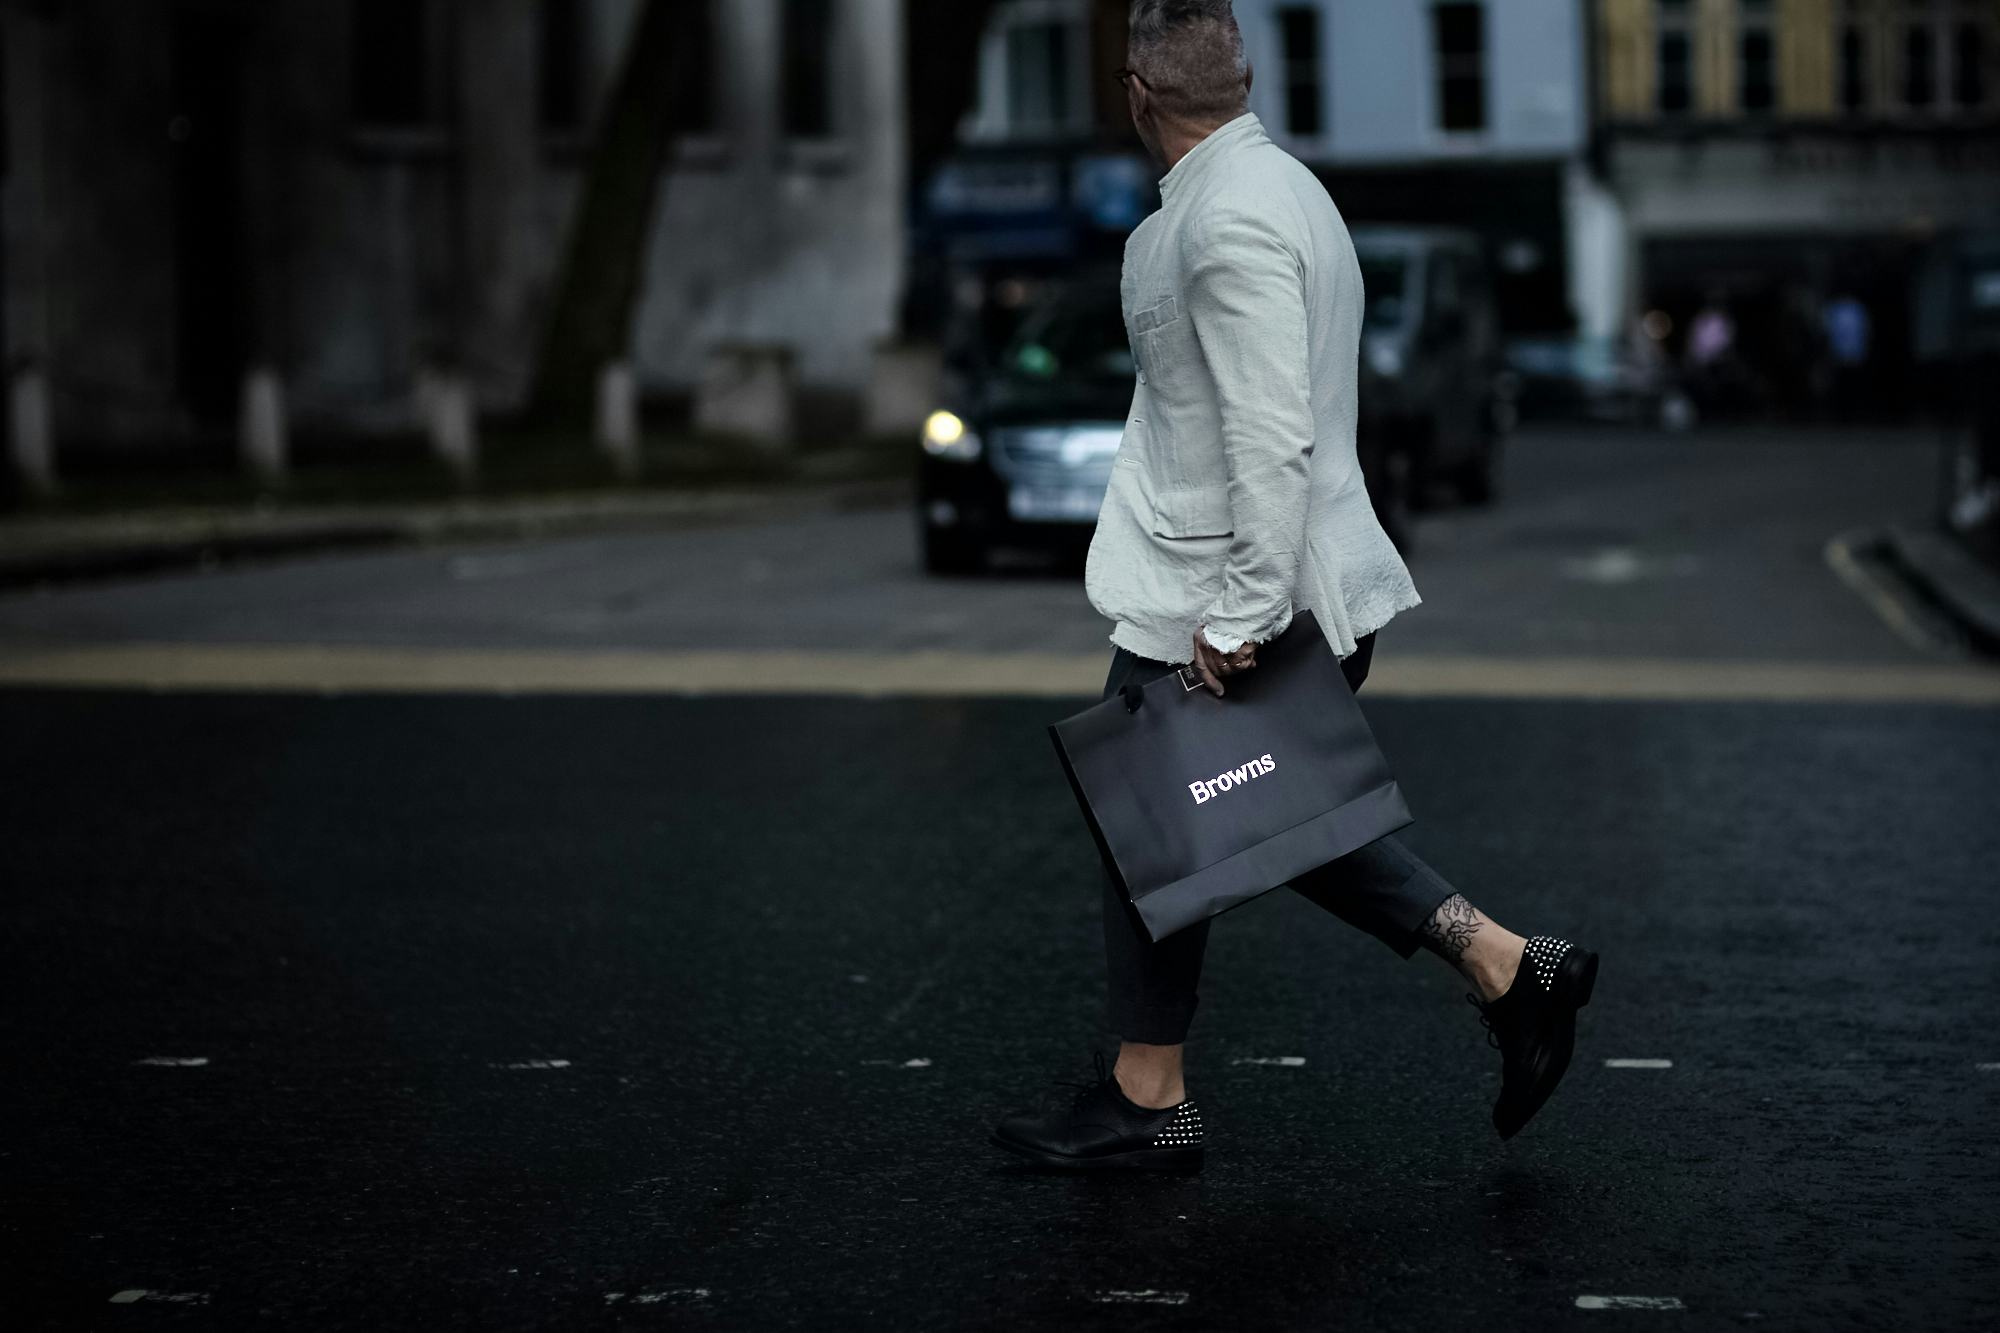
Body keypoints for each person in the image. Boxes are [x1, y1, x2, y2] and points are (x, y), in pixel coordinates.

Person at [990, 0, 1599, 1171]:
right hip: (1249, 578)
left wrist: (1241, 615)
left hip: (1230, 591)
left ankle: (1157, 1094)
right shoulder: (1285, 189)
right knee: (1221, 819)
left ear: (1134, 94)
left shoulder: (1225, 223)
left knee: (1168, 814)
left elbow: (1273, 437)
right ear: (1242, 74)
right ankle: (1496, 969)